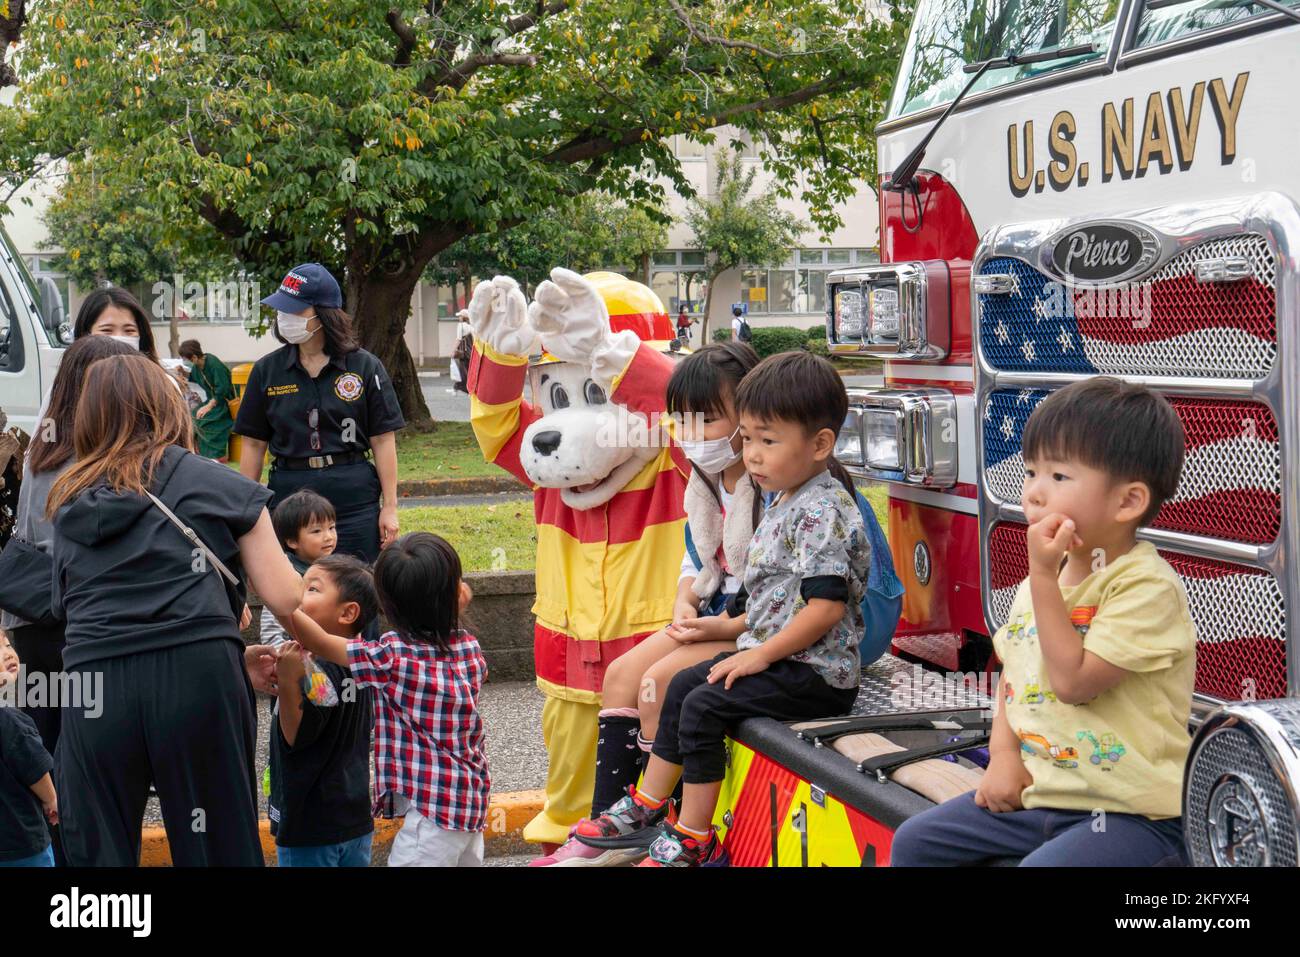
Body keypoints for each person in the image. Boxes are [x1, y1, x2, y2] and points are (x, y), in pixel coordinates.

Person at [576, 351, 871, 866]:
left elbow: (824, 608)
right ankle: (648, 805)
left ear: (821, 444)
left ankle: (693, 834)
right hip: (785, 657)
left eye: (768, 441)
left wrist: (759, 655)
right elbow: (771, 596)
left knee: (703, 704)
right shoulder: (786, 496)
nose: (752, 455)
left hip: (815, 673)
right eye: (749, 439)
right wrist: (734, 629)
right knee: (689, 684)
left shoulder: (821, 508)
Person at [890, 377, 1193, 867]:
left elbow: (1072, 682)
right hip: (1043, 796)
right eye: (1032, 472)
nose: (1033, 492)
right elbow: (1018, 672)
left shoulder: (1145, 588)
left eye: (1059, 477)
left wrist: (1042, 578)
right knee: (915, 843)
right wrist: (1004, 755)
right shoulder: (1043, 580)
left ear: (1127, 502)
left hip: (1129, 813)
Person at [46, 354, 304, 866]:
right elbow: (287, 597)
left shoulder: (66, 499)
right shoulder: (216, 482)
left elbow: (65, 606)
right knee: (217, 841)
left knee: (97, 849)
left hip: (94, 683)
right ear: (168, 406)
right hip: (198, 676)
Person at [535, 341, 762, 867]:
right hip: (716, 611)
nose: (692, 435)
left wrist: (714, 627)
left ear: (748, 417)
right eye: (683, 421)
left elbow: (772, 593)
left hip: (749, 621)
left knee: (656, 685)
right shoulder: (705, 481)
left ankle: (652, 820)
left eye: (707, 419)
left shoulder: (765, 482)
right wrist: (686, 599)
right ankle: (606, 826)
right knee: (620, 675)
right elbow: (697, 558)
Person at [0, 336, 138, 866]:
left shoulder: (43, 441)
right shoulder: (101, 449)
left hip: (38, 624)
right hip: (86, 624)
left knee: (51, 748)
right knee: (94, 764)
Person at [282, 532, 490, 867]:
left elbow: (320, 642)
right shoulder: (467, 646)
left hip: (433, 811)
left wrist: (280, 594)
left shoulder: (391, 656)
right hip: (468, 801)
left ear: (387, 604)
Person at [234, 263, 404, 564]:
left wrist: (389, 507)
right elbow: (253, 444)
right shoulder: (267, 371)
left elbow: (382, 438)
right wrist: (244, 509)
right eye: (281, 310)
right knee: (293, 593)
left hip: (353, 500)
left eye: (294, 311)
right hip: (290, 500)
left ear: (323, 315)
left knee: (357, 587)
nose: (283, 318)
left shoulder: (364, 367)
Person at [269, 555, 377, 867]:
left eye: (312, 590)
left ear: (347, 613)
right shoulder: (365, 661)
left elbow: (296, 736)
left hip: (311, 825)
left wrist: (290, 682)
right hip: (355, 817)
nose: (299, 596)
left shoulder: (316, 670)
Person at [0, 632, 58, 867]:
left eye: (6, 644)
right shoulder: (11, 721)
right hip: (22, 844)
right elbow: (35, 769)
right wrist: (52, 799)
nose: (7, 653)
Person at [258, 489, 338, 646]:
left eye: (331, 527)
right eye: (316, 531)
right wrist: (284, 656)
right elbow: (271, 631)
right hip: (297, 659)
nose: (328, 536)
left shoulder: (337, 571)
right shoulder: (285, 576)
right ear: (292, 541)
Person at [178, 340, 237, 463]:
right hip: (214, 402)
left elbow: (224, 388)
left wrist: (208, 406)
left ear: (194, 357)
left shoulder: (213, 364)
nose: (184, 361)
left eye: (185, 359)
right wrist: (183, 372)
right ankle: (200, 455)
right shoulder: (198, 366)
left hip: (224, 403)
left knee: (205, 420)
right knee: (192, 418)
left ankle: (216, 456)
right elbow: (194, 377)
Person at [72, 286, 160, 360]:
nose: (119, 338)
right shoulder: (73, 380)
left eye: (129, 330)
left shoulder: (159, 379)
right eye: (107, 330)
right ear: (85, 334)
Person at [450, 309, 473, 394]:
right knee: (467, 371)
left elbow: (458, 339)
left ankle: (466, 389)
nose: (459, 317)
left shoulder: (461, 325)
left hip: (463, 353)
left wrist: (453, 350)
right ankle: (457, 387)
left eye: (460, 316)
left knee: (463, 372)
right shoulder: (471, 326)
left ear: (463, 317)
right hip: (470, 353)